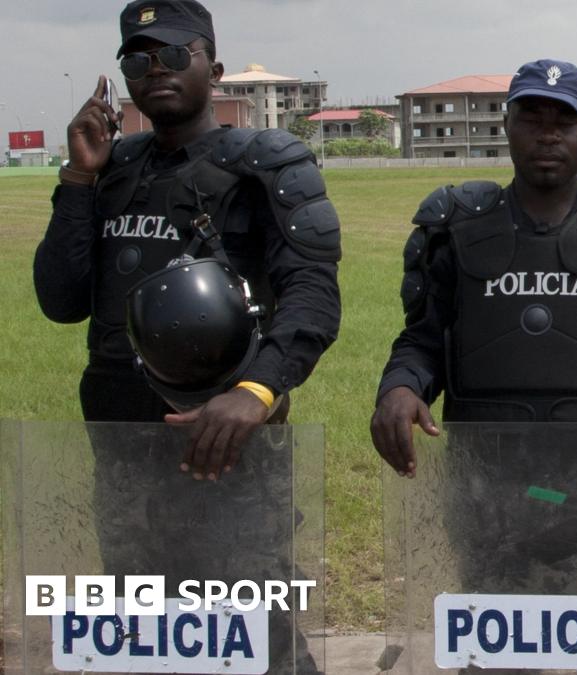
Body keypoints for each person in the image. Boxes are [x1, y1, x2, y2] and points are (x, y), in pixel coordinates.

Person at [32, 1, 340, 671]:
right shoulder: (113, 170)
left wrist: (257, 390)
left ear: (214, 68)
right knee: (148, 633)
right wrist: (79, 176)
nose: (157, 71)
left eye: (175, 55)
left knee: (255, 633)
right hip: (123, 447)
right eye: (138, 60)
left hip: (226, 446)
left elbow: (313, 295)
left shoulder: (266, 165)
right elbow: (60, 300)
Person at [370, 59, 577, 672]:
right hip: (492, 495)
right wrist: (400, 387)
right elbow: (423, 339)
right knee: (498, 661)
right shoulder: (457, 231)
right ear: (508, 125)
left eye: (564, 121)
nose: (549, 134)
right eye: (533, 118)